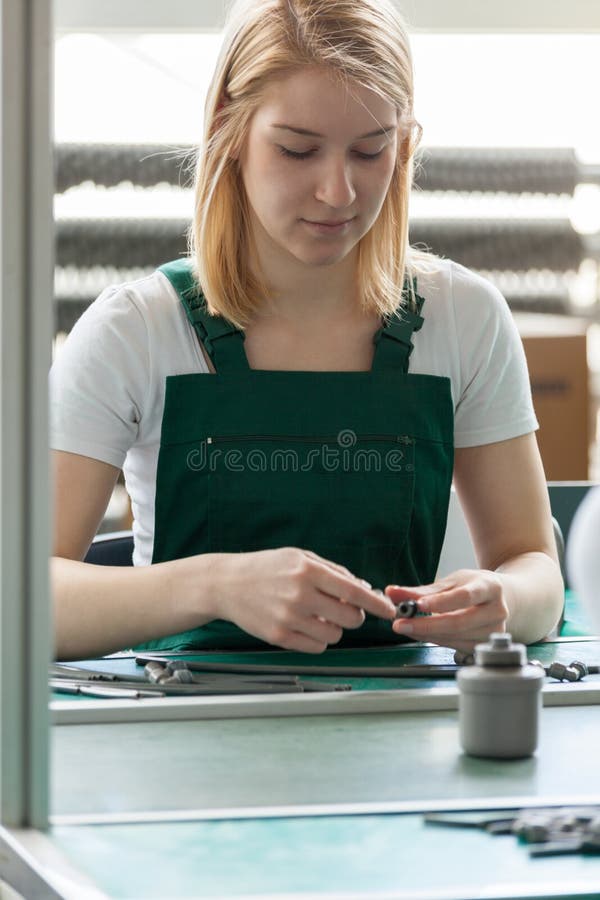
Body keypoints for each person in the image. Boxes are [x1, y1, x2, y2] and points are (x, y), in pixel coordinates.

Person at [51, 0, 564, 661]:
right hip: (184, 733)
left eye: (371, 150)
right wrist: (216, 583)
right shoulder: (134, 331)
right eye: (298, 149)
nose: (338, 192)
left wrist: (506, 602)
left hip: (399, 733)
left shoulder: (465, 317)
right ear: (229, 131)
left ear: (405, 145)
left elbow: (537, 570)